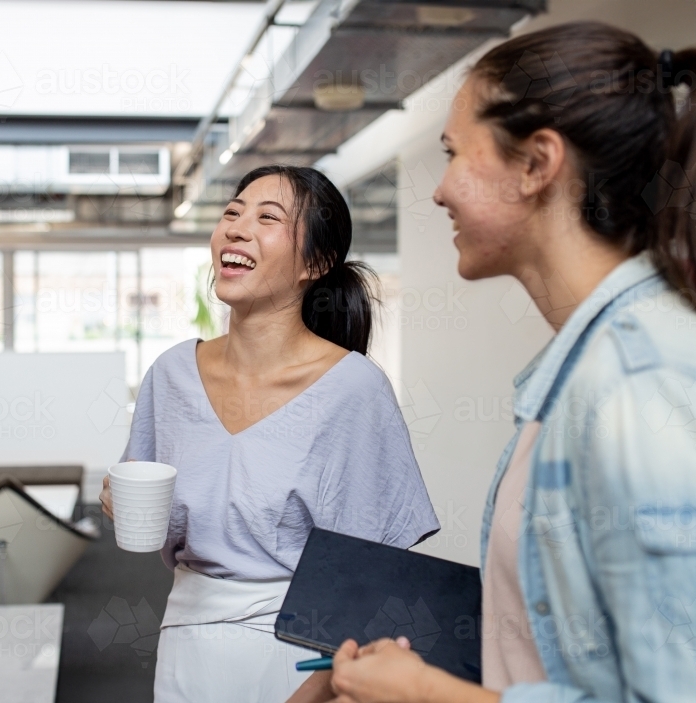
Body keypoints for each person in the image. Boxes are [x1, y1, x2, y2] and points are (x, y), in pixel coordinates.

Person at [288, 21, 696, 703]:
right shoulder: (575, 373)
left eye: (453, 153)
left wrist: (423, 692)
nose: (439, 190)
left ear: (537, 164)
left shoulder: (637, 379)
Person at [99, 165, 441, 703]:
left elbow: (372, 574)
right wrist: (129, 507)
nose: (236, 228)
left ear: (317, 262)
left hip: (300, 659)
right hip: (186, 644)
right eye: (232, 212)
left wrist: (321, 689)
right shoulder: (171, 375)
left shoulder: (352, 389)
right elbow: (161, 524)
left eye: (267, 218)